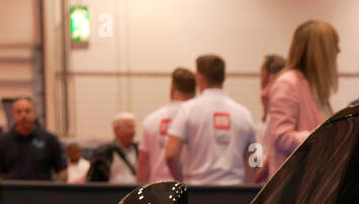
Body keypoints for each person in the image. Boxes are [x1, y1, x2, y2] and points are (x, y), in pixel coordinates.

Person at [165, 54, 258, 185]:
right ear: (224, 78)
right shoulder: (244, 114)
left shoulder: (187, 110)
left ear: (199, 78)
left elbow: (171, 154)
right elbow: (255, 154)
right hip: (235, 190)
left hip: (198, 190)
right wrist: (248, 188)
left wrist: (182, 183)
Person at [266, 20, 339, 176]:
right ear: (320, 51)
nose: (339, 50)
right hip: (295, 186)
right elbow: (282, 138)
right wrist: (327, 135)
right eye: (334, 45)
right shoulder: (288, 83)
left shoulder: (315, 87)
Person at [0, 96, 67, 204]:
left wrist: (54, 194)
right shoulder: (3, 141)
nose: (23, 115)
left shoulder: (49, 139)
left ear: (34, 113)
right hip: (12, 199)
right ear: (13, 115)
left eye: (27, 111)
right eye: (19, 112)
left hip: (43, 199)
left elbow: (62, 172)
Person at [138, 67, 196, 184]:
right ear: (195, 91)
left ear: (172, 88)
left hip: (157, 189)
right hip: (189, 188)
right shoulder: (198, 119)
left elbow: (143, 165)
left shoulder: (151, 120)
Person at [87, 112, 138, 183]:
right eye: (129, 127)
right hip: (111, 193)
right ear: (116, 129)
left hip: (137, 192)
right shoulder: (102, 153)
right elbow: (93, 181)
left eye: (133, 127)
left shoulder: (139, 150)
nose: (133, 131)